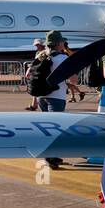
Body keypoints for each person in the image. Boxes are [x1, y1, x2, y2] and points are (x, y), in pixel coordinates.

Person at [35, 30, 71, 167]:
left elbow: (28, 74)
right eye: (63, 41)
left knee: (47, 127)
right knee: (55, 128)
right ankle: (51, 157)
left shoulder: (41, 55)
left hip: (41, 96)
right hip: (56, 97)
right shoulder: (62, 59)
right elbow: (73, 80)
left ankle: (53, 156)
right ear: (58, 43)